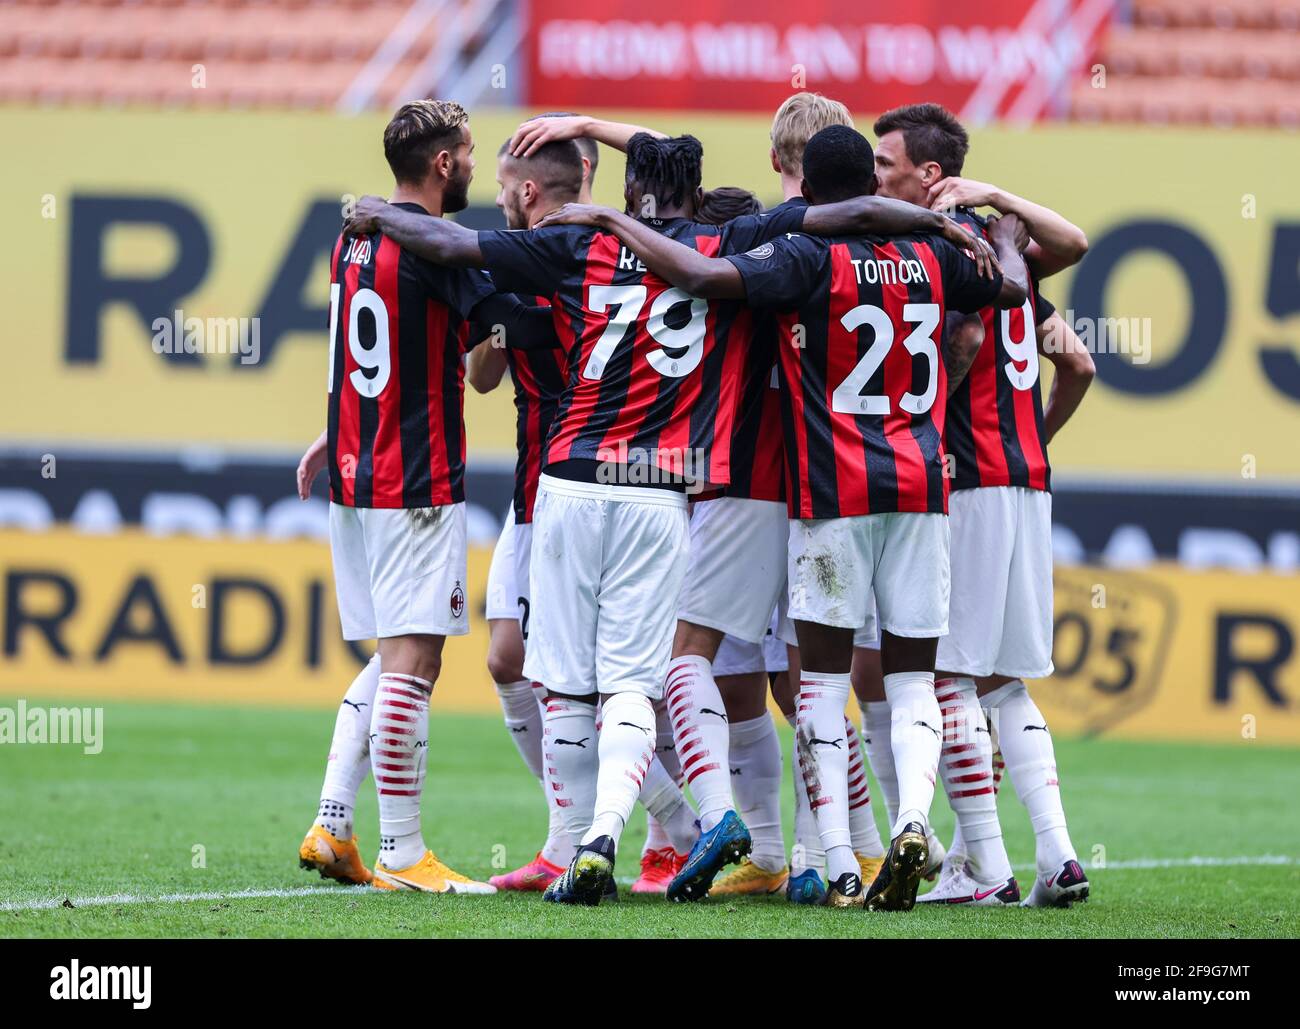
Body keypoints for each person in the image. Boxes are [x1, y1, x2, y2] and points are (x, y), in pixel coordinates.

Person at [535, 123, 1028, 910]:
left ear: (801, 188)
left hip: (811, 488)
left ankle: (819, 854)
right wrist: (995, 232)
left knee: (789, 679)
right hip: (917, 490)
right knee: (906, 683)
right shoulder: (936, 253)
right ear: (875, 181)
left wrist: (605, 218)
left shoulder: (801, 257)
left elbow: (699, 273)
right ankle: (905, 831)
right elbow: (1009, 292)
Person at [296, 99, 557, 895]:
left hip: (353, 469)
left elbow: (355, 342)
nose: (477, 165)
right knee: (416, 660)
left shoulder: (355, 235)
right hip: (415, 477)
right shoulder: (438, 249)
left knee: (390, 652)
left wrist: (331, 426)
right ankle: (405, 852)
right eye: (470, 152)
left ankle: (334, 823)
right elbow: (512, 324)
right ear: (444, 164)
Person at [870, 102, 1096, 906]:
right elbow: (1080, 365)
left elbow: (963, 342)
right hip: (1025, 481)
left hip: (963, 483)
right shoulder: (1010, 254)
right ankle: (1060, 856)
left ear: (932, 176)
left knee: (946, 678)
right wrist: (1031, 440)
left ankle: (987, 870)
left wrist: (930, 431)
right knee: (1004, 681)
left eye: (887, 161)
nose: (876, 172)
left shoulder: (941, 248)